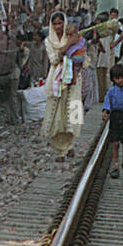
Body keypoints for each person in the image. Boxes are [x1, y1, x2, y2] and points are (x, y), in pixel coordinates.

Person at [42, 12, 85, 161]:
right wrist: (67, 46)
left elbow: (82, 57)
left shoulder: (72, 36)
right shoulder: (49, 41)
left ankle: (70, 145)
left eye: (60, 23)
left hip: (73, 81)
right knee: (57, 116)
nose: (58, 27)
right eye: (55, 24)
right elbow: (54, 59)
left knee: (71, 113)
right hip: (57, 81)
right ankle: (60, 151)